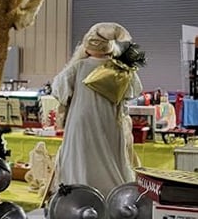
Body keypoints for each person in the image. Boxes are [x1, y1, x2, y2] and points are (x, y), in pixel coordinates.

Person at [51, 22, 145, 196]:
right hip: (110, 121)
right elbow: (134, 91)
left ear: (86, 47)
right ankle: (113, 197)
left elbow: (58, 89)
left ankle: (79, 196)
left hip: (81, 121)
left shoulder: (78, 67)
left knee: (81, 156)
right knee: (111, 156)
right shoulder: (121, 69)